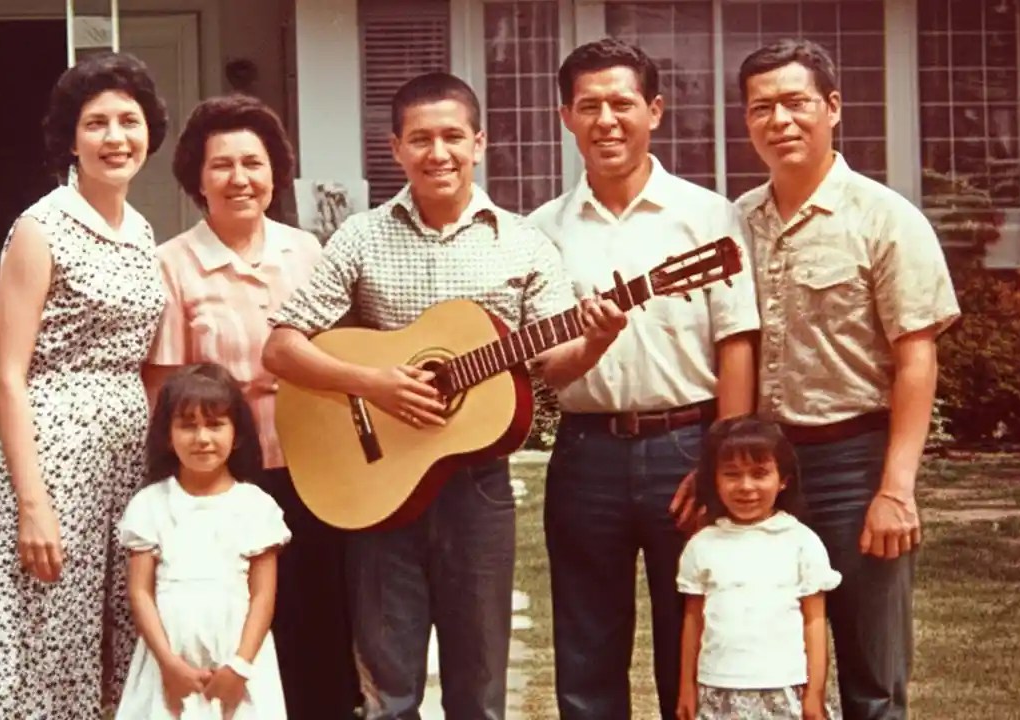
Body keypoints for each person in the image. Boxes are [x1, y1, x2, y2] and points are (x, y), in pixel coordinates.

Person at [262, 71, 625, 719]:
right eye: (421, 139)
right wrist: (375, 382)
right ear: (396, 148)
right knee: (389, 685)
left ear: (479, 142)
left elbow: (556, 367)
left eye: (453, 137)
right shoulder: (360, 238)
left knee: (479, 689)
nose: (439, 153)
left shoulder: (522, 243)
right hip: (378, 485)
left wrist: (595, 340)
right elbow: (281, 347)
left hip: (477, 489)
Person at [527, 38, 760, 720]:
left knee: (692, 638)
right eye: (588, 105)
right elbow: (544, 368)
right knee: (586, 647)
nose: (606, 120)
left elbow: (737, 340)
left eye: (622, 103)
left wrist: (724, 458)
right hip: (585, 451)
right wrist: (589, 343)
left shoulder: (709, 216)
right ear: (565, 116)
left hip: (687, 446)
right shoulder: (541, 231)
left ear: (653, 111)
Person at [733, 39, 960, 719]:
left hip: (854, 463)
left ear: (833, 107)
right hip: (765, 467)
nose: (780, 121)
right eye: (761, 108)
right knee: (766, 664)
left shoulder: (885, 219)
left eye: (796, 102)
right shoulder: (737, 222)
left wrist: (896, 489)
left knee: (870, 670)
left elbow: (917, 359)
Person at [142, 93, 359, 718]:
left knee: (318, 628)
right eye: (222, 165)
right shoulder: (173, 265)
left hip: (312, 472)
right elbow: (166, 390)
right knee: (236, 635)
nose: (240, 179)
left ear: (275, 173)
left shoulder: (308, 253)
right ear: (196, 178)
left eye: (254, 163)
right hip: (225, 484)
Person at [0, 52, 169, 719]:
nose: (115, 137)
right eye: (96, 123)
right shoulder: (41, 228)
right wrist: (33, 502)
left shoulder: (141, 231)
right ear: (70, 138)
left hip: (128, 450)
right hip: (57, 449)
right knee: (53, 627)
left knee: (122, 617)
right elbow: (7, 374)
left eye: (128, 121)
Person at [116, 364, 290, 720]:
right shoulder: (150, 505)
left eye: (215, 424)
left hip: (237, 661)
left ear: (237, 433)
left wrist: (240, 666)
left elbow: (263, 596)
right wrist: (168, 664)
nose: (202, 438)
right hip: (169, 664)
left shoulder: (255, 507)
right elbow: (140, 592)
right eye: (187, 425)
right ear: (167, 434)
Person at [676, 416, 840, 720]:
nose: (746, 486)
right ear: (714, 479)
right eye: (732, 474)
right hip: (718, 688)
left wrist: (815, 692)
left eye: (760, 473)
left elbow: (814, 623)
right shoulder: (702, 545)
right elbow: (692, 621)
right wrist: (687, 686)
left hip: (784, 687)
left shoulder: (802, 542)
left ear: (783, 479)